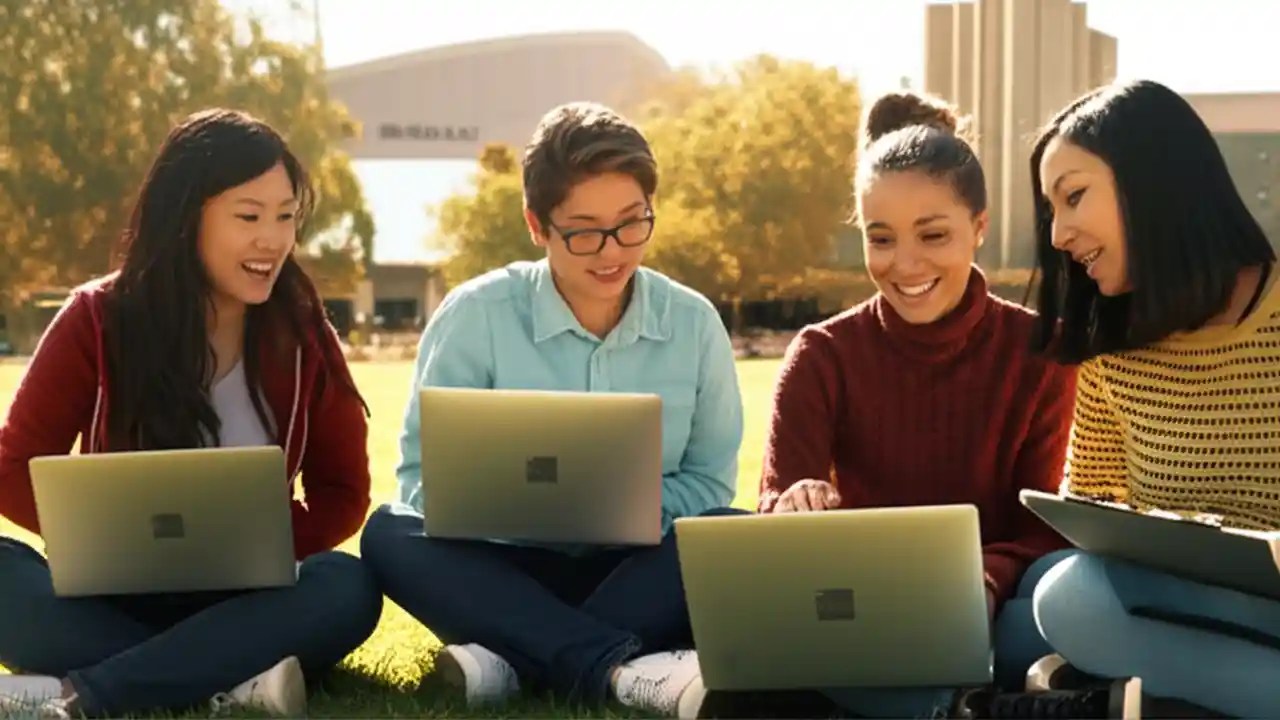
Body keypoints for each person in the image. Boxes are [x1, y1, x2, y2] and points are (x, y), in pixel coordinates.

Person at [690, 91, 1084, 720]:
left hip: (992, 605)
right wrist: (794, 505)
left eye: (933, 235)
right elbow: (777, 507)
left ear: (978, 228)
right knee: (720, 533)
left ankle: (896, 697)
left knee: (1067, 589)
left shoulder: (1042, 352)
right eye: (881, 238)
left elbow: (1043, 527)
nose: (904, 265)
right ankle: (976, 707)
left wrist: (980, 580)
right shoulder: (822, 354)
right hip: (853, 606)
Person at [359, 101, 744, 718]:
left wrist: (623, 510)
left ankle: (507, 660)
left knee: (733, 531)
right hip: (504, 568)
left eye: (632, 223)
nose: (612, 251)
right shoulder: (475, 315)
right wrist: (519, 511)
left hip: (634, 571)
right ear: (537, 226)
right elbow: (422, 484)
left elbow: (709, 480)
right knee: (388, 534)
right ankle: (622, 669)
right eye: (584, 231)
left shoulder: (694, 324)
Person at [0, 109, 382, 718]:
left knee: (348, 587)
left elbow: (343, 491)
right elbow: (11, 465)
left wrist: (266, 541)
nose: (273, 240)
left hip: (247, 599)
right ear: (186, 218)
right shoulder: (96, 319)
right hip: (114, 591)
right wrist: (93, 537)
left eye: (286, 217)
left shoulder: (304, 333)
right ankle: (232, 681)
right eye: (249, 217)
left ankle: (91, 690)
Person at [1017, 79, 1280, 720]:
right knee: (1065, 596)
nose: (1058, 235)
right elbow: (1095, 515)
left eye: (1074, 196)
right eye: (1052, 209)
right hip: (1192, 614)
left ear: (1152, 183)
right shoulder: (1111, 358)